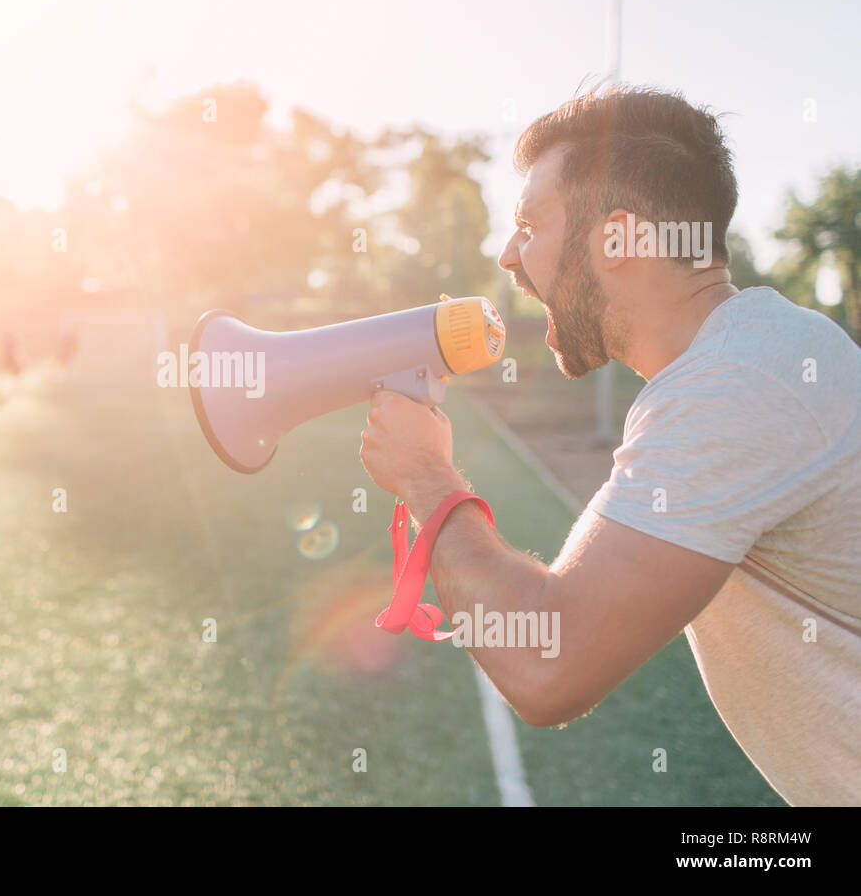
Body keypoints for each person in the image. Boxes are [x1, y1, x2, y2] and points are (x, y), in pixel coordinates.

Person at [358, 85, 861, 806]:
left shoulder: (739, 383)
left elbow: (546, 662)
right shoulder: (756, 355)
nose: (506, 254)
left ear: (619, 239)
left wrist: (427, 477)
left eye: (530, 224)